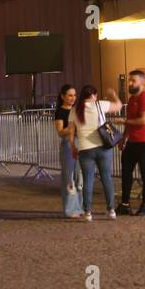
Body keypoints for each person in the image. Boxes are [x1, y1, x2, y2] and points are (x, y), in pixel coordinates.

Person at [69, 84, 125, 221]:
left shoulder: (75, 110)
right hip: (103, 148)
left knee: (88, 180)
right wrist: (113, 95)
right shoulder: (100, 105)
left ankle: (87, 213)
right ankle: (111, 210)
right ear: (93, 95)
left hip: (84, 149)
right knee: (106, 178)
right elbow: (119, 106)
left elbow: (71, 132)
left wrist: (72, 147)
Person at [118, 70, 145, 215]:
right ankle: (125, 203)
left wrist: (124, 121)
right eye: (130, 80)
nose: (130, 83)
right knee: (126, 171)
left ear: (142, 81)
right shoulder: (132, 99)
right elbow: (130, 123)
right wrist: (123, 139)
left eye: (133, 80)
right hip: (133, 141)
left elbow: (144, 120)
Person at [54, 84, 85, 218]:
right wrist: (73, 127)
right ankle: (70, 209)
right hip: (68, 144)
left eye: (74, 95)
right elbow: (60, 131)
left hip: (81, 144)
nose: (73, 98)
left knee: (80, 177)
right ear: (63, 96)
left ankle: (80, 207)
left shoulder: (77, 110)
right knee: (69, 177)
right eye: (70, 95)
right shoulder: (60, 111)